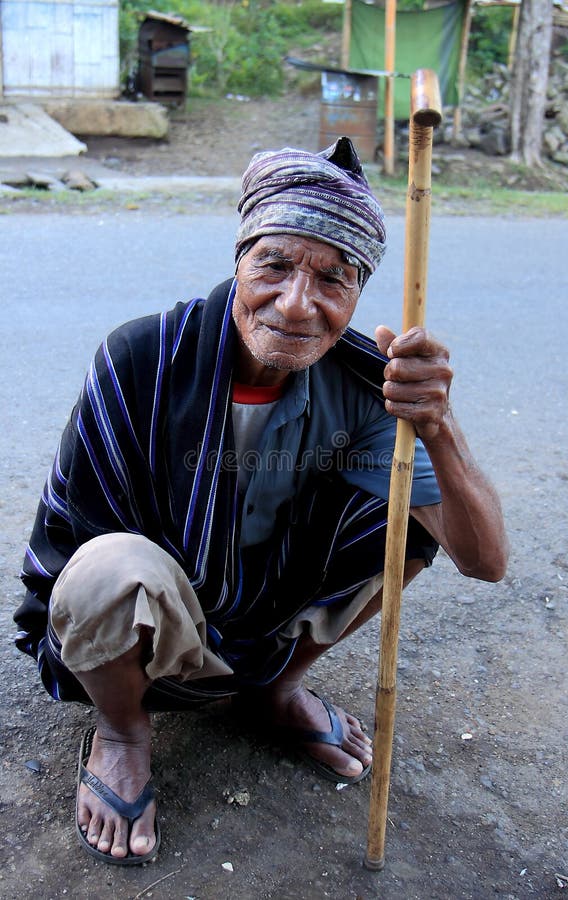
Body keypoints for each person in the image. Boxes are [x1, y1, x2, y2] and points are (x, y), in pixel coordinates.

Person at [14, 137, 508, 866]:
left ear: (358, 296)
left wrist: (438, 427)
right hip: (150, 624)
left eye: (333, 279)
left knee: (402, 516)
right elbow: (67, 558)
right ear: (240, 260)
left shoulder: (367, 387)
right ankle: (122, 732)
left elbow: (484, 560)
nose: (297, 303)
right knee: (102, 570)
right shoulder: (144, 356)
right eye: (274, 265)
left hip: (265, 615)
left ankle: (273, 691)